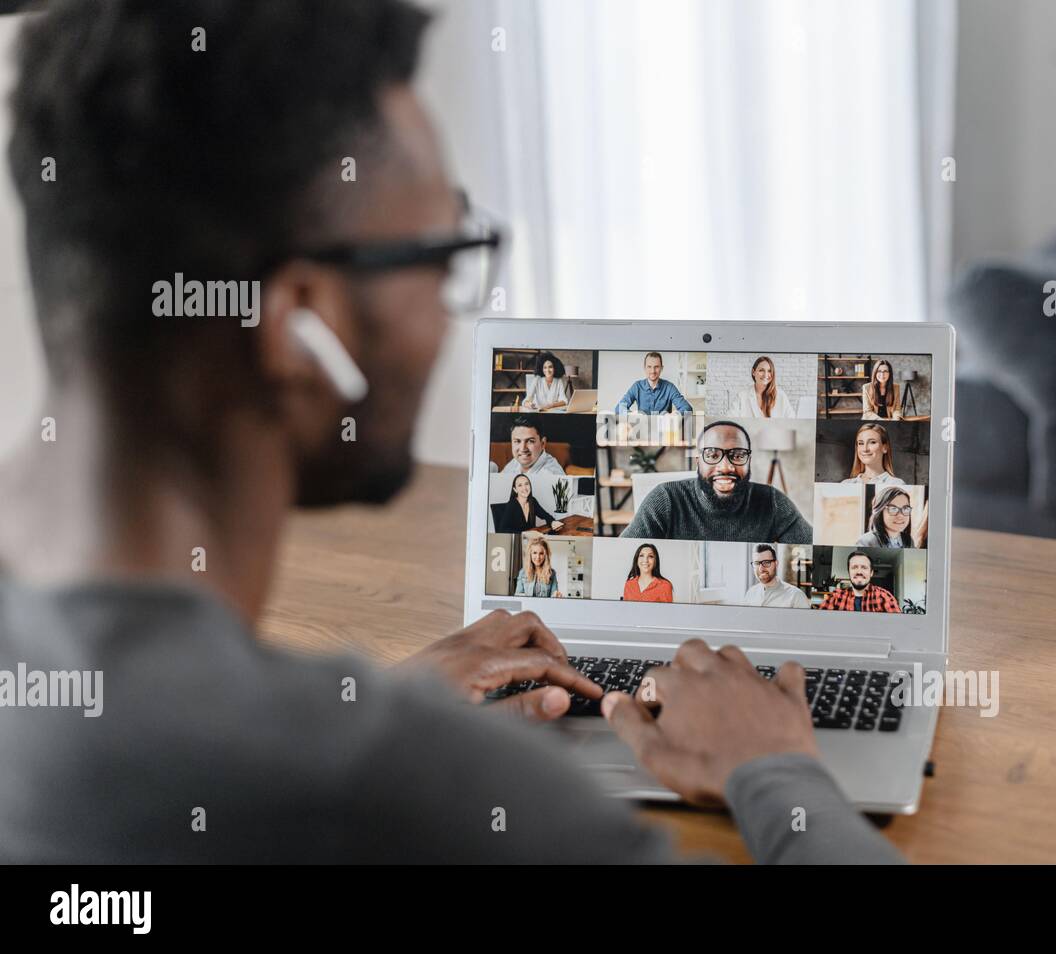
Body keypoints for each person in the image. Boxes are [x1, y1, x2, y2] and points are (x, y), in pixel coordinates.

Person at [0, 0, 902, 864]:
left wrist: (376, 707)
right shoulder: (438, 796)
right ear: (303, 327)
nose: (448, 313)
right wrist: (775, 770)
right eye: (442, 259)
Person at [623, 420, 812, 544]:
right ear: (698, 462)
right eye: (712, 454)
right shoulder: (666, 499)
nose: (725, 467)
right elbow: (623, 553)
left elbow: (809, 545)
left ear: (748, 461)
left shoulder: (772, 501)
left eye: (737, 455)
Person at [817, 552, 901, 613]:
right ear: (849, 572)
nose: (859, 571)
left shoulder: (884, 597)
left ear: (871, 573)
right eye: (854, 567)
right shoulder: (835, 596)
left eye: (864, 567)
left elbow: (898, 629)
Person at [613, 352, 694, 415]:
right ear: (644, 368)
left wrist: (675, 414)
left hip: (664, 431)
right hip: (641, 431)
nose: (653, 371)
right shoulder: (637, 386)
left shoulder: (669, 387)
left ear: (661, 368)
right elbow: (619, 408)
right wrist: (632, 415)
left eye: (656, 367)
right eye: (649, 367)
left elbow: (687, 408)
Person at [727, 355, 796, 419]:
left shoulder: (781, 396)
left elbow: (792, 420)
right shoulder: (742, 396)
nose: (766, 374)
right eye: (761, 370)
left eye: (769, 371)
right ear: (753, 372)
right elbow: (730, 420)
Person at [744, 544, 810, 609]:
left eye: (766, 562)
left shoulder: (796, 596)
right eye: (756, 563)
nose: (761, 569)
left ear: (776, 564)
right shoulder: (750, 593)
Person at [500, 416, 567, 479]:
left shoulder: (551, 475)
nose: (523, 448)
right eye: (517, 441)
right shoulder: (516, 462)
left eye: (530, 441)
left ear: (543, 443)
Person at [841, 423, 905, 487]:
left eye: (872, 442)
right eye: (861, 443)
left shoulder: (897, 484)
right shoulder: (845, 484)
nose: (865, 449)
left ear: (885, 448)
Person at [496, 474, 565, 534]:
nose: (524, 488)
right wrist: (525, 533)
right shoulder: (512, 504)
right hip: (518, 540)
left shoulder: (532, 501)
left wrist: (552, 522)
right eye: (520, 485)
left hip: (531, 540)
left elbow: (545, 515)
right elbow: (502, 530)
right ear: (515, 489)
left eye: (526, 484)